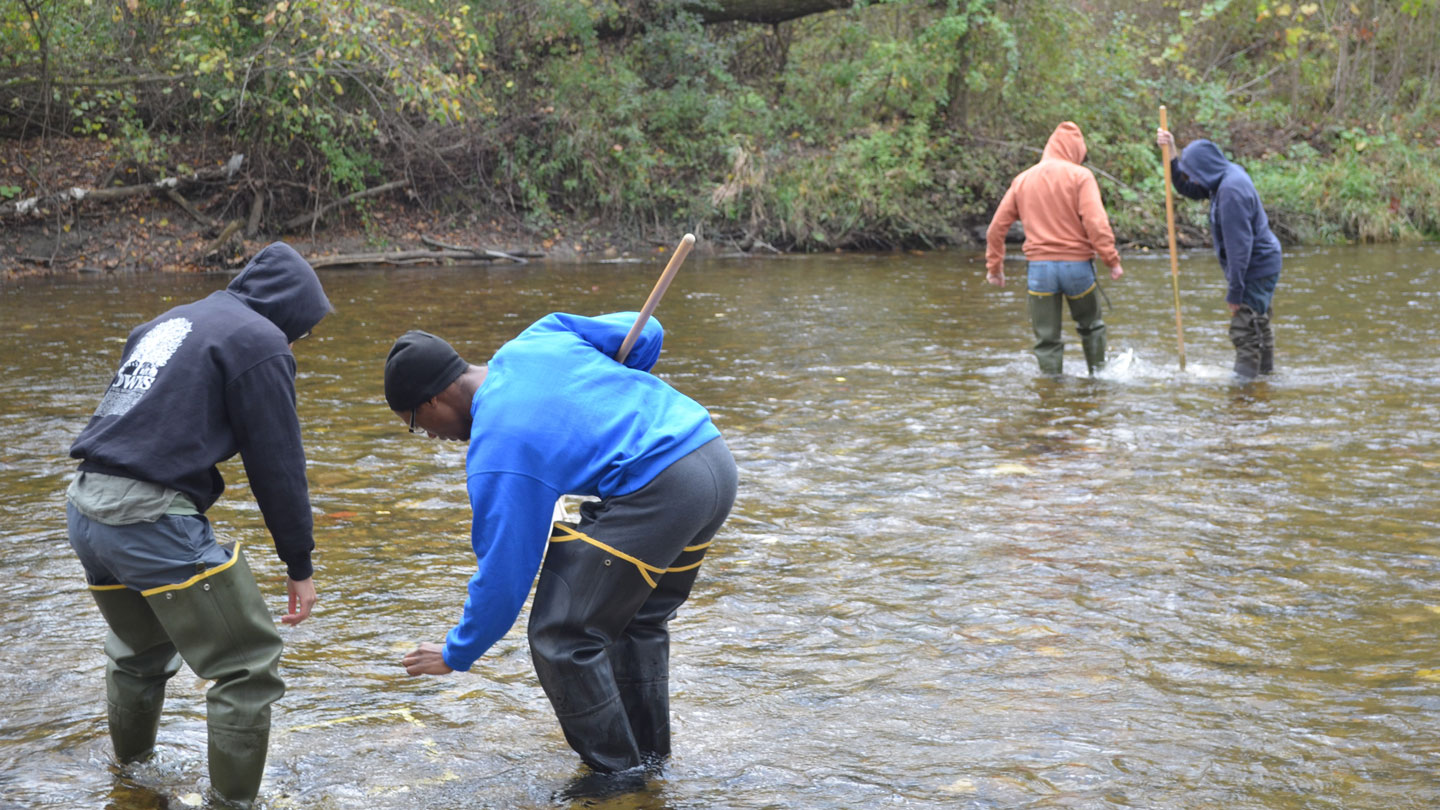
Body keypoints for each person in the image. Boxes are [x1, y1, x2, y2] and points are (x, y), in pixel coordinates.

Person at [384, 312, 737, 777]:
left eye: (416, 423)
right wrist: (612, 381)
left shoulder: (498, 449)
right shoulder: (540, 338)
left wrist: (457, 652)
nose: (430, 435)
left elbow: (505, 576)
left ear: (433, 399)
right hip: (713, 462)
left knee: (561, 636)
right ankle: (650, 768)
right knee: (634, 621)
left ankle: (617, 781)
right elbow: (647, 331)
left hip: (663, 492)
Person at [65, 242, 330, 808]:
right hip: (145, 519)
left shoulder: (167, 323)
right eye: (301, 332)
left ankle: (129, 782)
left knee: (138, 653)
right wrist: (299, 564)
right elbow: (277, 464)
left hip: (84, 508)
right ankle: (232, 805)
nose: (294, 344)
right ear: (288, 311)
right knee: (248, 667)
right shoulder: (260, 340)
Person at [985, 121, 1126, 376]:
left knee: (1046, 340)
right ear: (1076, 150)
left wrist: (995, 268)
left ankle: (1050, 392)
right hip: (1077, 268)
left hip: (1040, 271)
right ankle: (1098, 381)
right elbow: (1096, 223)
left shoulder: (1023, 179)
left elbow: (995, 229)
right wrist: (1111, 260)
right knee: (1091, 327)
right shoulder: (1081, 176)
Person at [1156, 128, 1282, 378]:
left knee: (1245, 331)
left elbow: (1239, 248)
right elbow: (1189, 189)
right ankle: (1264, 382)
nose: (1192, 179)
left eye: (1193, 173)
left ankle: (1244, 392)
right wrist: (1171, 156)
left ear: (1204, 169)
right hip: (1264, 262)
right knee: (1258, 324)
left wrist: (1235, 291)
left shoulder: (1231, 193)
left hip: (1255, 266)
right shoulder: (1224, 177)